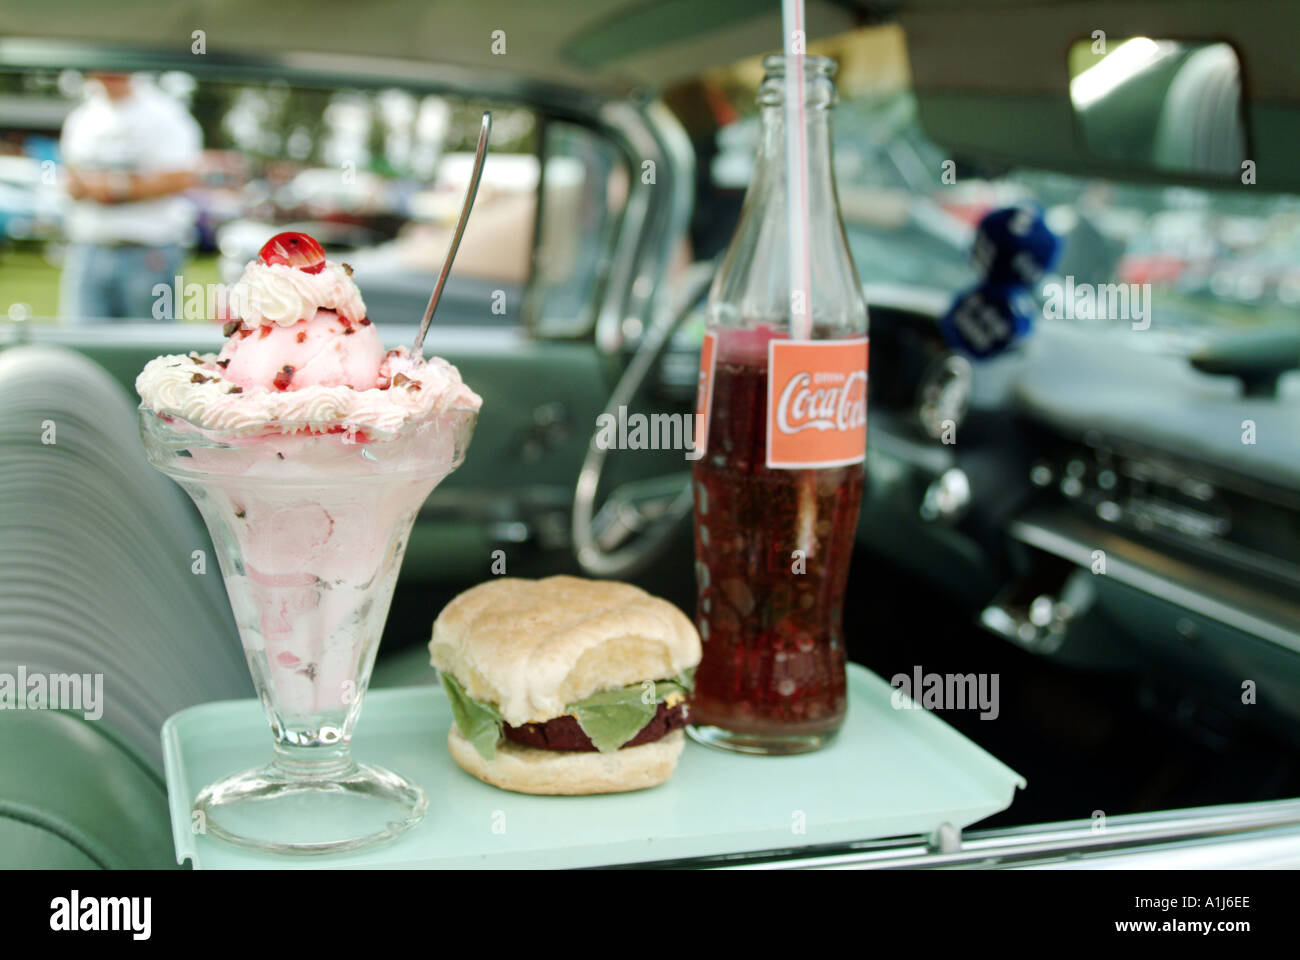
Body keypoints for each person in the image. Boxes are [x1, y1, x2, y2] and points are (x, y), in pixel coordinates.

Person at [58, 72, 202, 322]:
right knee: (83, 346)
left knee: (150, 351)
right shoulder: (82, 118)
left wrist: (116, 188)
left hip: (147, 251)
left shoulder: (164, 113)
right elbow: (69, 174)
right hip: (88, 248)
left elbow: (183, 176)